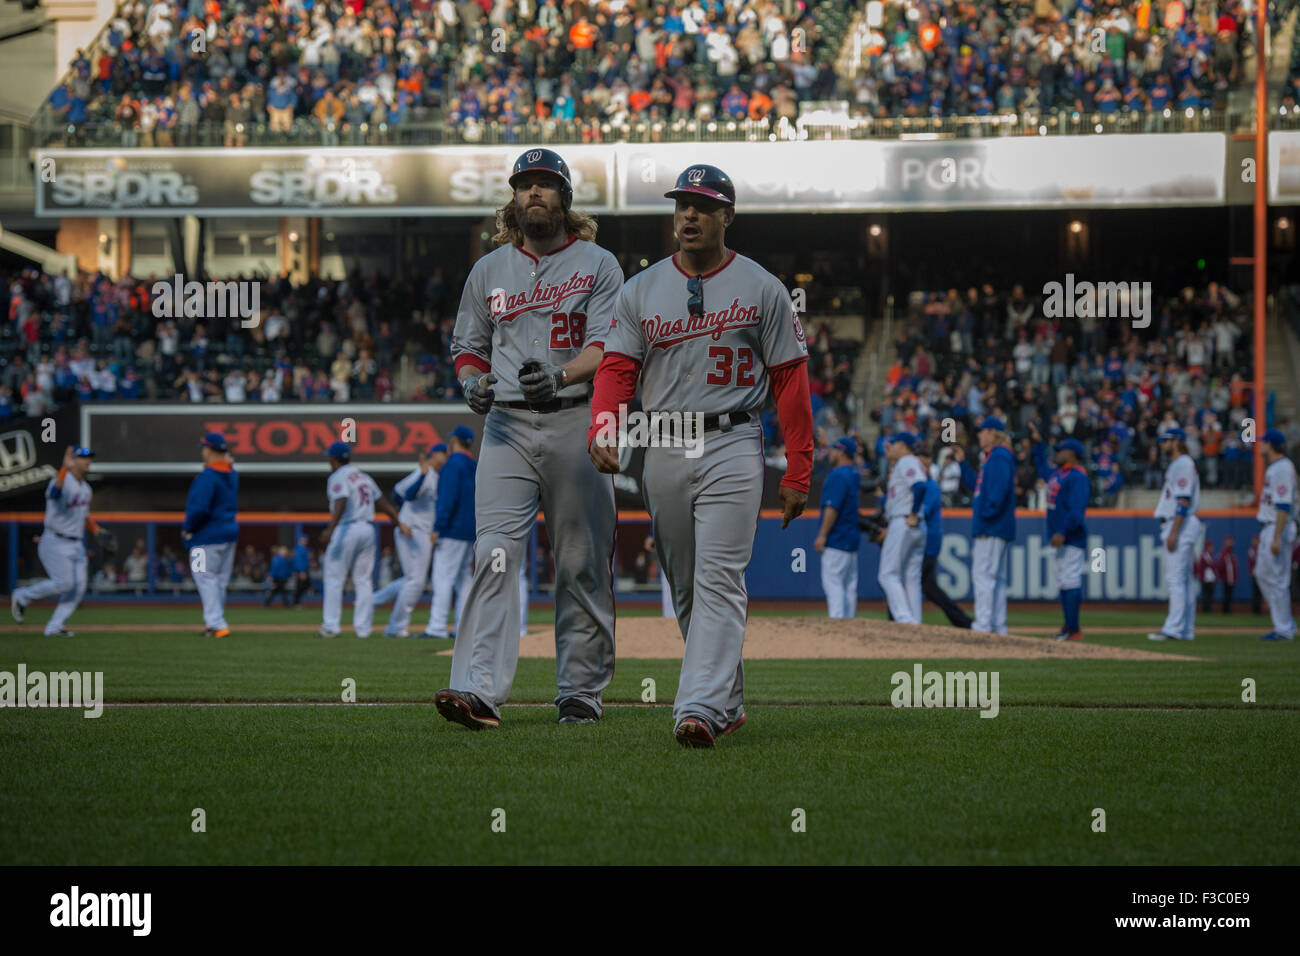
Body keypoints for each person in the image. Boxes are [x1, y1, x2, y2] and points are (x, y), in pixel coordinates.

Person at [588, 162, 813, 747]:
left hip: (734, 438)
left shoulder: (762, 286)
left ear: (726, 217)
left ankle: (696, 708)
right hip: (663, 438)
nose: (689, 214)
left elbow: (790, 379)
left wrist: (799, 467)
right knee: (685, 583)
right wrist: (605, 426)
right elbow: (616, 369)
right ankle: (727, 700)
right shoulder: (641, 288)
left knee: (719, 577)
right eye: (682, 204)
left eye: (703, 205)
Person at [435, 147, 622, 731]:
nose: (534, 193)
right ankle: (478, 689)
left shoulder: (598, 263)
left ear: (565, 197)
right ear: (513, 200)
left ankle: (581, 691)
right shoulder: (487, 270)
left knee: (581, 562)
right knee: (493, 553)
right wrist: (471, 382)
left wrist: (563, 374)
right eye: (525, 185)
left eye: (545, 184)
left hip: (574, 419)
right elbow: (468, 349)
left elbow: (608, 348)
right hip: (507, 427)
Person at [318, 441, 409, 639]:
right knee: (364, 581)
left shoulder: (338, 476)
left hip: (347, 528)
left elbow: (341, 500)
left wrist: (330, 530)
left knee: (334, 578)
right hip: (368, 528)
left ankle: (331, 626)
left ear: (334, 459)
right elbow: (382, 502)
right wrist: (398, 521)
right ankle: (363, 629)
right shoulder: (363, 476)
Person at [11, 446, 103, 636]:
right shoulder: (62, 480)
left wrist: (96, 530)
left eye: (89, 458)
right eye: (83, 458)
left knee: (79, 588)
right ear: (73, 461)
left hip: (76, 543)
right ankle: (22, 596)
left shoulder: (86, 489)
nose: (87, 461)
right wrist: (63, 469)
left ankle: (55, 627)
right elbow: (54, 494)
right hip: (56, 540)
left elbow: (84, 516)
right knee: (64, 584)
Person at [374, 443, 447, 637]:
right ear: (435, 454)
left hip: (419, 529)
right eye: (444, 453)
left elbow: (400, 495)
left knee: (411, 580)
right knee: (416, 581)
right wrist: (402, 519)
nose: (446, 457)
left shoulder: (436, 476)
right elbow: (402, 494)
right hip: (413, 530)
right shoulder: (424, 473)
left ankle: (373, 601)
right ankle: (396, 627)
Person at [1030, 426, 1089, 641]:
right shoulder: (1060, 473)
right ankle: (1068, 627)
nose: (1057, 453)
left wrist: (1063, 531)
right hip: (1058, 536)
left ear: (1071, 454)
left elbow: (1077, 511)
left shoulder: (1077, 477)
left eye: (1061, 450)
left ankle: (1073, 629)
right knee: (1063, 582)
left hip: (1070, 537)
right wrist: (1038, 444)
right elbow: (1041, 468)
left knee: (1070, 580)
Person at [961, 416, 1016, 635]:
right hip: (995, 525)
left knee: (983, 574)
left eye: (983, 431)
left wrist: (986, 514)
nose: (979, 434)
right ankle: (996, 625)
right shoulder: (994, 457)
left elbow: (998, 492)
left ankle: (984, 624)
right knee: (996, 577)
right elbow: (979, 487)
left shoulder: (1000, 455)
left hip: (992, 525)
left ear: (993, 432)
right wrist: (963, 464)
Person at [182, 432, 240, 638]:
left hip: (205, 536)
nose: (203, 451)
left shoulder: (208, 476)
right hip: (228, 533)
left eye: (204, 448)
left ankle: (215, 624)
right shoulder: (231, 473)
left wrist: (188, 528)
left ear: (210, 450)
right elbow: (228, 466)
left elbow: (199, 509)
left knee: (204, 578)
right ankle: (217, 621)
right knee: (219, 581)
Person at [1148, 427, 1202, 641]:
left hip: (1180, 522)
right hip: (1181, 522)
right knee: (1184, 580)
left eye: (1166, 441)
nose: (1162, 444)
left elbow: (1183, 501)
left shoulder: (1183, 463)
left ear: (1177, 441)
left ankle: (1174, 629)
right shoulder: (1179, 464)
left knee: (1176, 580)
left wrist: (1174, 532)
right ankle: (1186, 629)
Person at [424, 427, 476, 639]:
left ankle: (436, 627)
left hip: (452, 529)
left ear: (454, 440)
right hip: (470, 529)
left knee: (443, 578)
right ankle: (463, 629)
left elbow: (447, 499)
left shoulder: (451, 464)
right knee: (463, 581)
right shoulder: (474, 464)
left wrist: (438, 526)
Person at [915, 444, 972, 628]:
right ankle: (962, 621)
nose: (921, 462)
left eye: (924, 458)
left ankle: (902, 621)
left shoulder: (930, 486)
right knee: (929, 588)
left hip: (928, 543)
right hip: (924, 542)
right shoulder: (922, 485)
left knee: (910, 580)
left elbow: (921, 514)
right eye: (919, 458)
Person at [877, 432, 927, 624]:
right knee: (911, 577)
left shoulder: (906, 461)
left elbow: (920, 487)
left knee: (888, 574)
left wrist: (913, 512)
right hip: (914, 524)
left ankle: (905, 620)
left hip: (905, 520)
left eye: (894, 443)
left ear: (904, 446)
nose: (891, 446)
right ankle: (915, 621)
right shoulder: (906, 463)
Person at [1255, 428, 1297, 640]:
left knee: (1278, 579)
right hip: (1271, 525)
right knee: (1262, 574)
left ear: (1271, 445)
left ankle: (1284, 628)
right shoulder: (1277, 468)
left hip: (1277, 526)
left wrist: (1277, 536)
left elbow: (1284, 504)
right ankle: (1284, 621)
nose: (1261, 445)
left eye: (1264, 442)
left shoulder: (1281, 468)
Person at [814, 436, 861, 619]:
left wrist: (822, 535)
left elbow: (832, 507)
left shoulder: (838, 475)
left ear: (842, 452)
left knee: (833, 585)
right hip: (851, 538)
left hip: (837, 538)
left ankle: (837, 625)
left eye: (833, 449)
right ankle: (848, 626)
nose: (830, 453)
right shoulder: (853, 473)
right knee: (849, 587)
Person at [1215, 534, 1238, 614]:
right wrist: (1220, 575)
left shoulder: (1231, 552)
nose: (1230, 542)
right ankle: (1225, 610)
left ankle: (1227, 610)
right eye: (1228, 541)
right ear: (1225, 542)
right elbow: (1220, 565)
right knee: (1226, 595)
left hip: (1231, 578)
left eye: (1231, 541)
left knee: (1229, 595)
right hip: (1226, 578)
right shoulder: (1224, 552)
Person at [1196, 538, 1218, 614]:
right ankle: (1206, 609)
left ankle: (1208, 608)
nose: (1211, 547)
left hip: (1209, 578)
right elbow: (1211, 564)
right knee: (1207, 594)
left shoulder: (1209, 554)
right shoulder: (1206, 554)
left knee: (1209, 594)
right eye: (1210, 546)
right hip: (1206, 578)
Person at [292, 536, 313, 605]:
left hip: (305, 570)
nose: (305, 542)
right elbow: (299, 561)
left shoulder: (305, 549)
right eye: (304, 540)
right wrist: (301, 571)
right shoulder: (299, 549)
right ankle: (296, 602)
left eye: (306, 540)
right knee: (300, 586)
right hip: (301, 571)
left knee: (304, 585)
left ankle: (296, 602)